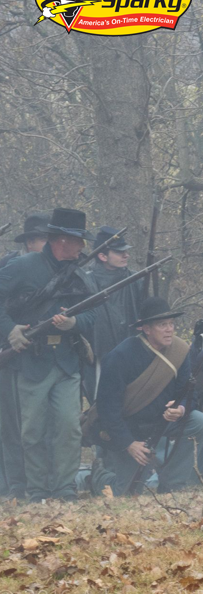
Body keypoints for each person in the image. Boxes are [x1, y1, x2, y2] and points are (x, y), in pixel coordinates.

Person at [0, 207, 97, 501]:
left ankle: (65, 488)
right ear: (63, 241)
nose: (82, 246)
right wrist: (10, 329)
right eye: (79, 240)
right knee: (32, 431)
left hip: (66, 360)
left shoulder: (79, 273)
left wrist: (74, 322)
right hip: (32, 359)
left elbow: (94, 313)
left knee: (69, 428)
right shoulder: (23, 266)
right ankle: (38, 489)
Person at [85, 298, 203, 495]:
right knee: (127, 493)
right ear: (146, 328)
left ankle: (173, 485)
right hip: (129, 429)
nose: (169, 329)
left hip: (161, 422)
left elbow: (188, 393)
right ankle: (97, 478)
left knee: (200, 422)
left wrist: (181, 409)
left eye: (171, 324)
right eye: (163, 325)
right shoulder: (120, 357)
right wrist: (129, 444)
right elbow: (107, 409)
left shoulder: (179, 351)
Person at [0, 212, 49, 499]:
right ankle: (15, 487)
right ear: (30, 241)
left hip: (39, 355)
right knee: (12, 424)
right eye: (43, 238)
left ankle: (41, 485)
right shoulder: (10, 267)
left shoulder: (53, 269)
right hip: (9, 355)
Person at [86, 226, 143, 363]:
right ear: (102, 256)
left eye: (126, 251)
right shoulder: (86, 281)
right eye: (119, 252)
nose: (126, 255)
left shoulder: (136, 279)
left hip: (132, 351)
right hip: (98, 354)